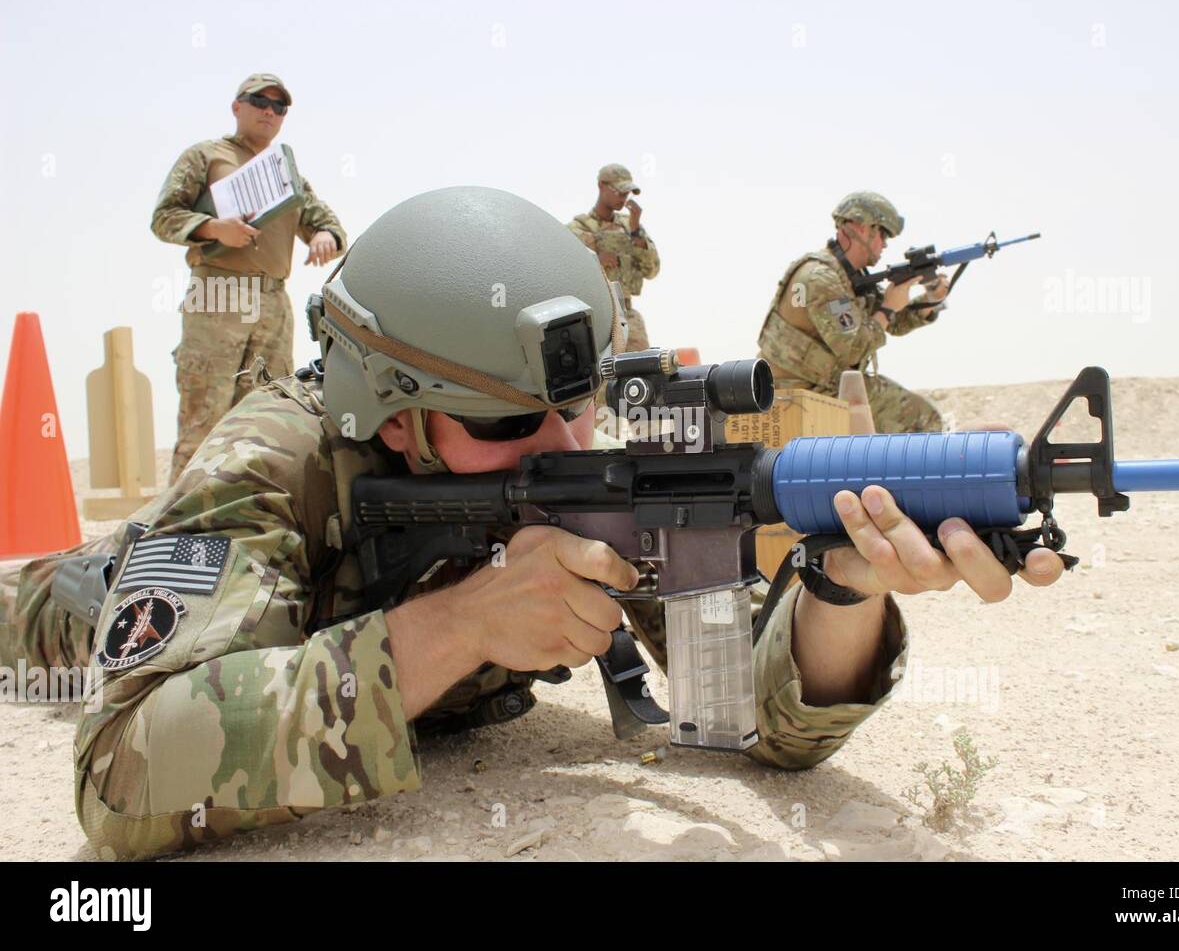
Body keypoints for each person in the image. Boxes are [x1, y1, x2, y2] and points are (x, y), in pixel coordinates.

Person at [0, 187, 1063, 860]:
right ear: (395, 416)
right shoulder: (270, 460)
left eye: (582, 398)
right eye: (510, 418)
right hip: (115, 598)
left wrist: (844, 588)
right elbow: (123, 777)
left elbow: (753, 718)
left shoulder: (601, 458)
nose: (561, 440)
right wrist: (455, 629)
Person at [151, 72, 348, 484]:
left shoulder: (283, 170)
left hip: (273, 300)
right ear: (237, 106)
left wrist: (326, 235)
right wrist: (212, 227)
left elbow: (321, 218)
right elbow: (164, 217)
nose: (269, 112)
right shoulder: (207, 156)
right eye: (260, 101)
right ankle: (177, 528)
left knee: (269, 416)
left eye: (279, 107)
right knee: (203, 416)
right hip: (218, 291)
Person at [757, 191, 949, 433]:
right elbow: (853, 349)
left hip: (822, 386)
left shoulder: (847, 277)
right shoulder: (821, 279)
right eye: (882, 233)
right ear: (860, 228)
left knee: (911, 417)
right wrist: (888, 307)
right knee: (921, 420)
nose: (885, 243)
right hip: (798, 392)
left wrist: (931, 299)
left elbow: (894, 323)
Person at [568, 163, 660, 351]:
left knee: (641, 369)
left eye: (627, 194)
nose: (624, 198)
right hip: (593, 315)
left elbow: (652, 270)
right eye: (619, 191)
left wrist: (635, 230)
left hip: (626, 313)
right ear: (601, 185)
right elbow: (564, 270)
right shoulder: (578, 228)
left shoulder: (630, 226)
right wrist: (595, 263)